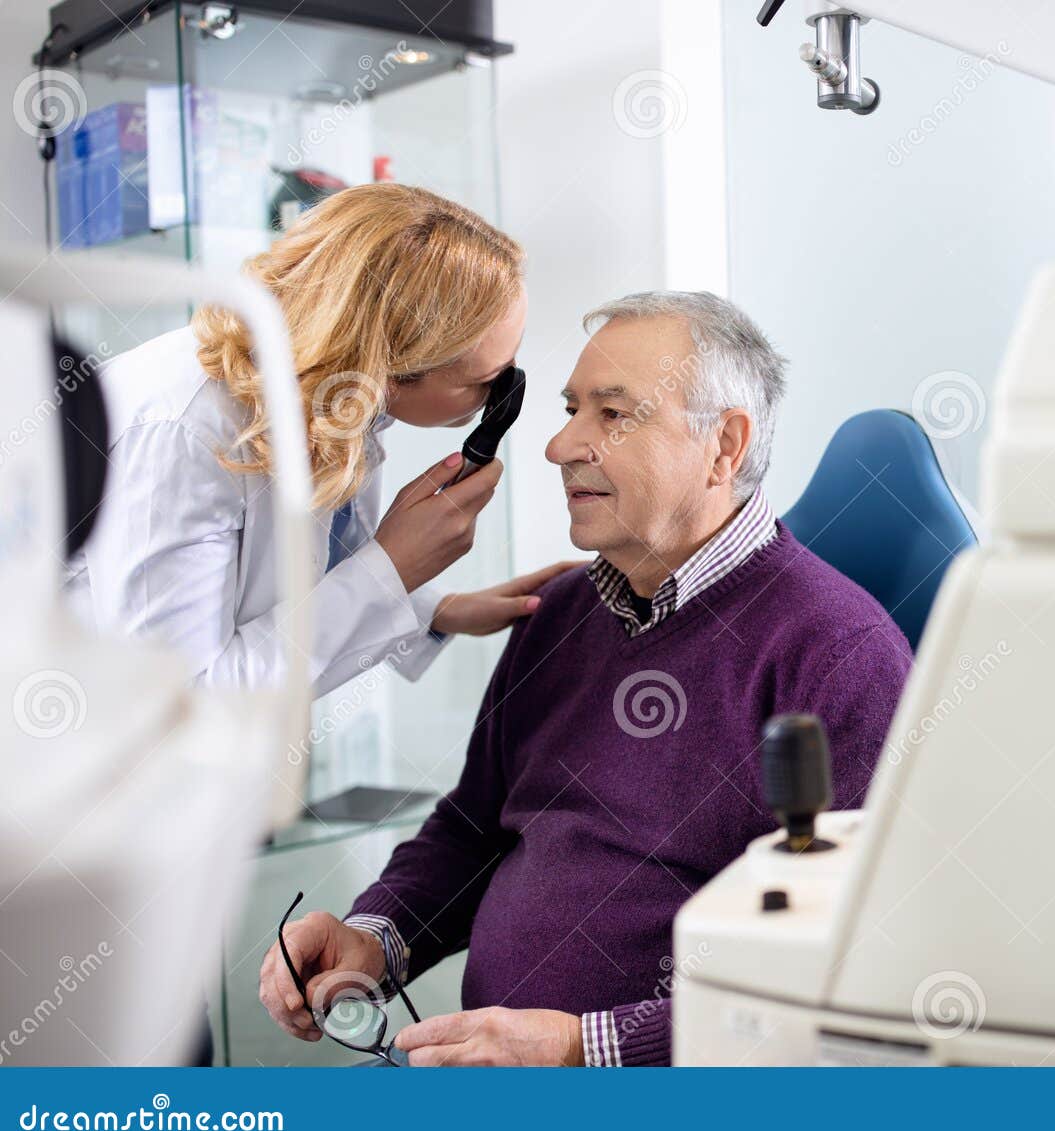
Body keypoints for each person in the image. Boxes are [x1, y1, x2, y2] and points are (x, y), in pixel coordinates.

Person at [260, 291, 913, 1066]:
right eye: (572, 409)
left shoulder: (837, 653)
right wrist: (376, 936)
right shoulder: (560, 613)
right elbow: (473, 830)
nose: (561, 445)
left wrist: (584, 1047)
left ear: (723, 446)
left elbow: (849, 965)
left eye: (612, 414)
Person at [67, 183, 574, 700]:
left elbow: (320, 558)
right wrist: (392, 569)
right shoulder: (182, 433)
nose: (501, 397)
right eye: (488, 380)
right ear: (393, 368)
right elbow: (182, 704)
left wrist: (437, 609)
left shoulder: (332, 395)